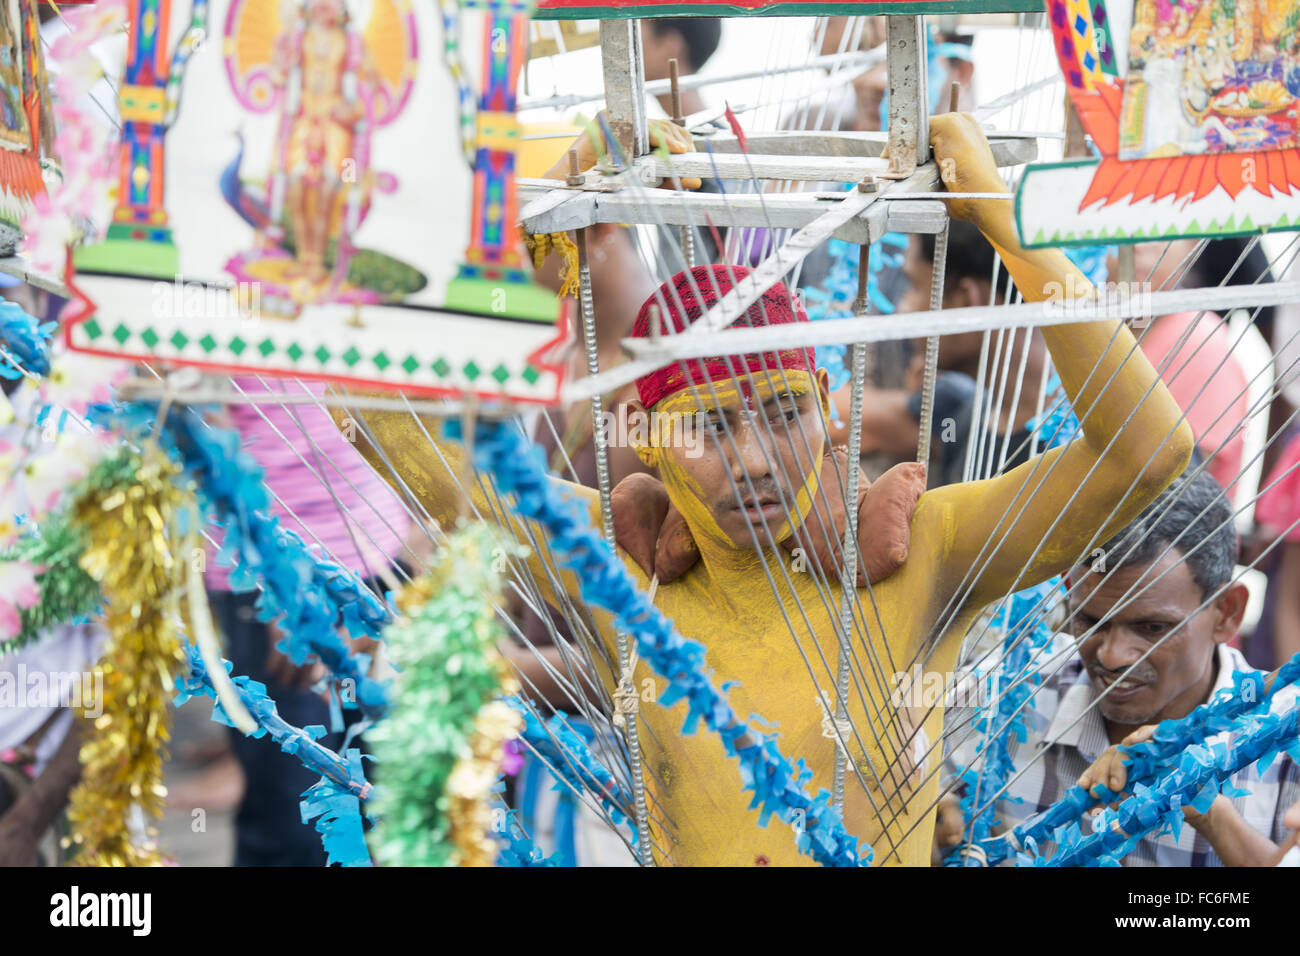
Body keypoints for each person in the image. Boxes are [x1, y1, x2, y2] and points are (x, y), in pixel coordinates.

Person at [340, 113, 1194, 866]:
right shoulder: (611, 567)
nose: (752, 460)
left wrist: (1004, 221)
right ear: (651, 448)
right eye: (708, 429)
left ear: (830, 412)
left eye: (783, 413)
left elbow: (1148, 454)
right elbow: (387, 416)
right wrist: (528, 248)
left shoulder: (923, 550)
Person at [938, 469, 1300, 866]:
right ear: (1069, 588)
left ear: (1226, 613)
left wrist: (1208, 809)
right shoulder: (999, 691)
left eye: (1152, 628)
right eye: (1091, 621)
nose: (1112, 657)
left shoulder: (1287, 744)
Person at [205, 376, 413, 866]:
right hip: (278, 585)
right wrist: (278, 582)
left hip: (370, 557)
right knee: (304, 814)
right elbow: (203, 419)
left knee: (374, 802)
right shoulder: (206, 300)